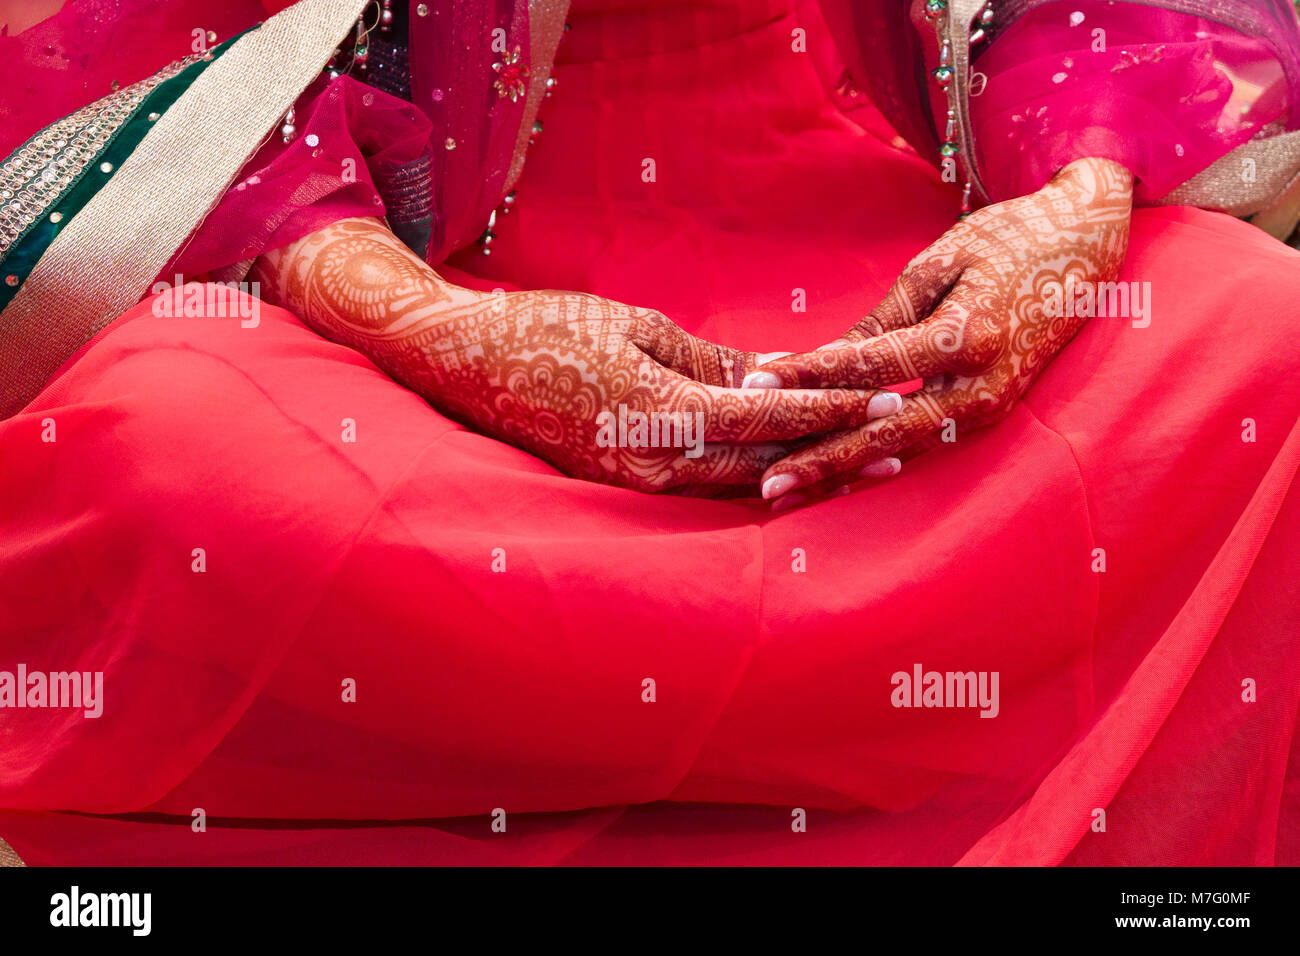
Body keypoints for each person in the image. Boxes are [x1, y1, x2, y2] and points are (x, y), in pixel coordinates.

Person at [0, 0, 1297, 866]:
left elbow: (1120, 13)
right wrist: (419, 322)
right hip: (410, 239)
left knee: (1249, 331)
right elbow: (148, 50)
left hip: (891, 233)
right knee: (169, 456)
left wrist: (1076, 203)